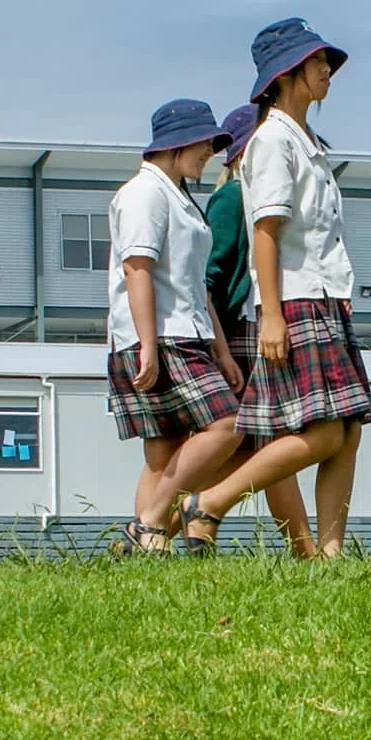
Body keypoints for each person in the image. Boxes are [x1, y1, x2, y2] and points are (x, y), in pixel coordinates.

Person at [181, 20, 371, 559]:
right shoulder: (270, 138)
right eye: (320, 63)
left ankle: (331, 556)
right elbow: (264, 231)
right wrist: (271, 314)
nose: (328, 74)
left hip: (325, 296)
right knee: (322, 434)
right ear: (288, 73)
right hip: (293, 300)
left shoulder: (305, 139)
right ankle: (211, 503)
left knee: (349, 429)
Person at [107, 100, 247, 554]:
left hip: (189, 331)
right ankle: (154, 519)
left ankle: (146, 542)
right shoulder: (143, 192)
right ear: (177, 143)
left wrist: (222, 352)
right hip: (159, 334)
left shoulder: (179, 194)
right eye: (204, 142)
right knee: (228, 425)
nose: (210, 150)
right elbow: (137, 268)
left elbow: (197, 284)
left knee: (164, 451)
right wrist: (147, 343)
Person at [198, 104, 316, 558]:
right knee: (268, 441)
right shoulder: (232, 199)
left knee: (259, 443)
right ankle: (173, 521)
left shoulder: (255, 196)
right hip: (241, 332)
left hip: (253, 328)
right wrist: (221, 346)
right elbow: (211, 275)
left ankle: (177, 523)